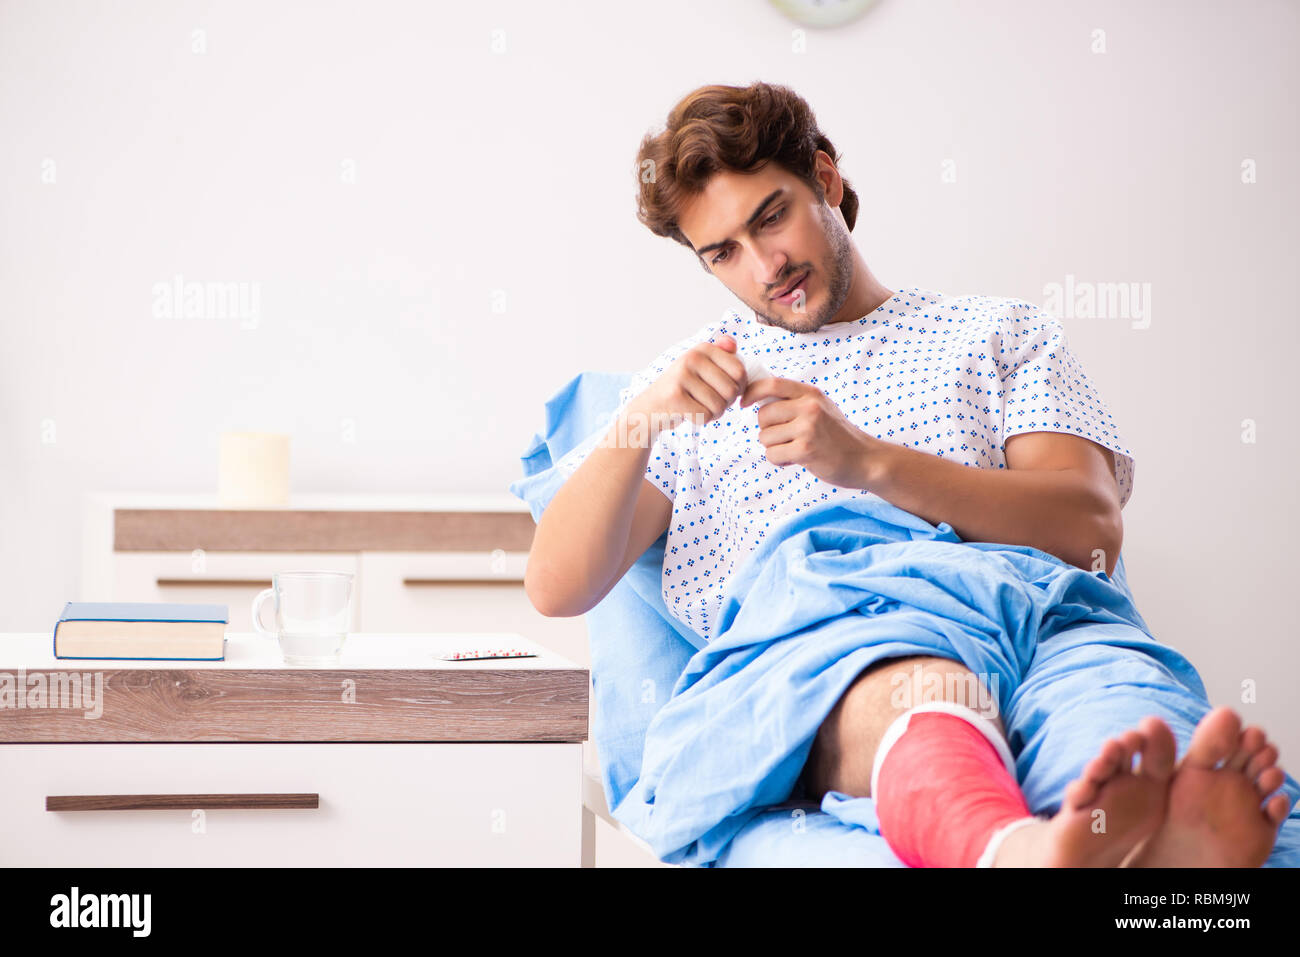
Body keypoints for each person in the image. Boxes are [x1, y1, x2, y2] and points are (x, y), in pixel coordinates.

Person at [524, 81, 1291, 866]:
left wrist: (867, 463)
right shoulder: (689, 393)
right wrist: (638, 418)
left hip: (1043, 625)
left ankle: (1157, 850)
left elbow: (1088, 526)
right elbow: (557, 585)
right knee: (921, 690)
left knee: (1121, 719)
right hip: (842, 650)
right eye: (723, 252)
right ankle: (1019, 851)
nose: (766, 265)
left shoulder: (996, 332)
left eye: (772, 215)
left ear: (824, 180)